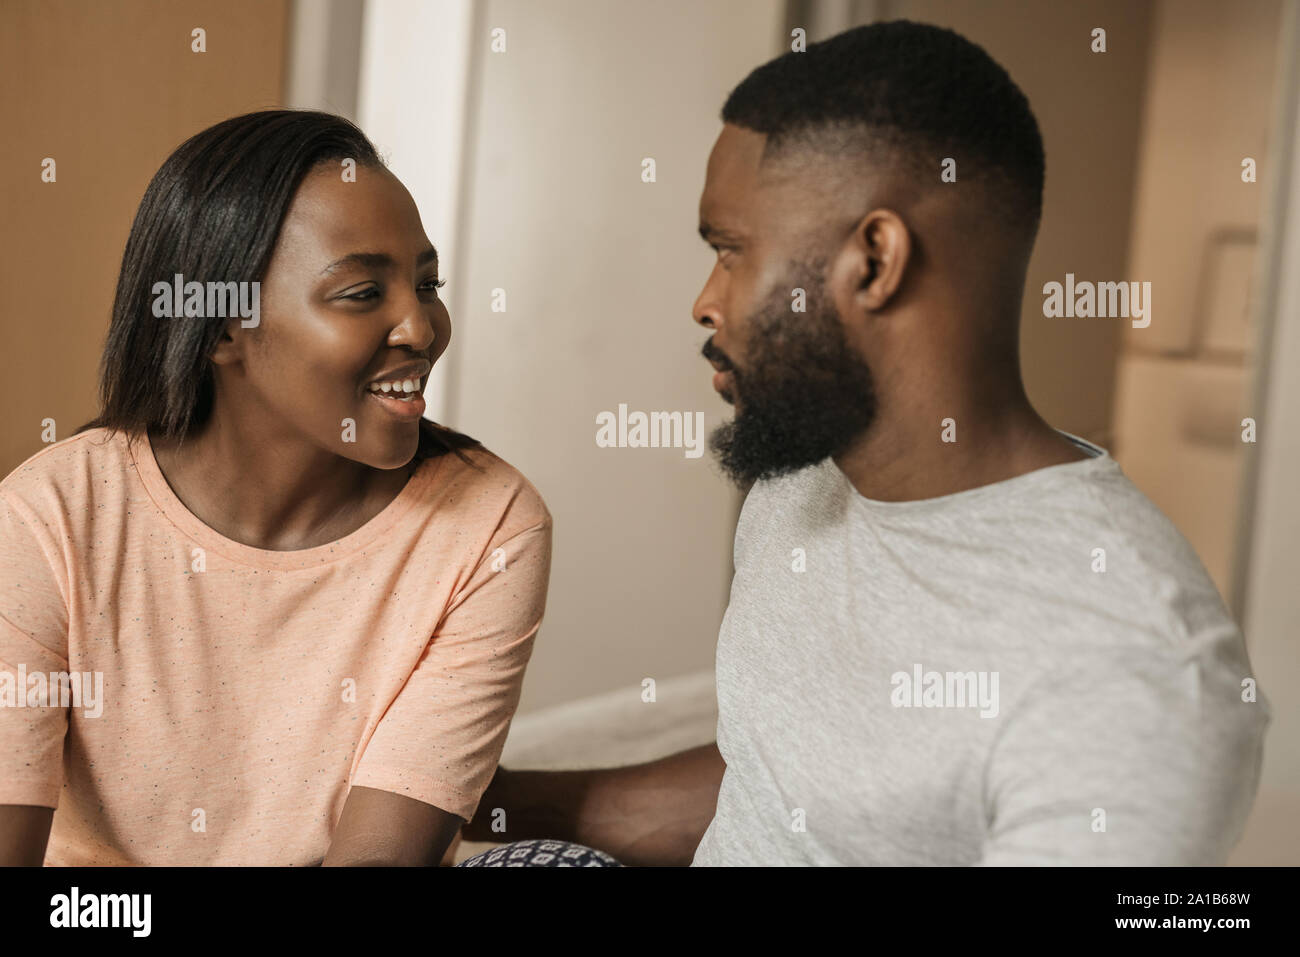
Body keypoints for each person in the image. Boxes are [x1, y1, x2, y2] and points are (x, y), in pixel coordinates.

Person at [460, 20, 1270, 866]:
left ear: (875, 262)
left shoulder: (1133, 675)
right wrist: (475, 799)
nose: (705, 301)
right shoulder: (803, 482)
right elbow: (779, 794)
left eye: (730, 252)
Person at [0, 110, 553, 866]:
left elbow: (376, 861)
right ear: (221, 327)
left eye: (428, 284)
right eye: (363, 293)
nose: (420, 327)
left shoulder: (489, 526)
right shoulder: (50, 519)